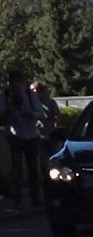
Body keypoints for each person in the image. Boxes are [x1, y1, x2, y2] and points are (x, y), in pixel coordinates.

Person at [0, 69, 47, 207]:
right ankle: (17, 198)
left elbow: (40, 113)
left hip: (31, 135)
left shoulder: (29, 94)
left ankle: (35, 197)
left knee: (32, 168)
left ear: (21, 82)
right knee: (16, 167)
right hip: (15, 135)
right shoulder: (6, 95)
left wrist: (30, 113)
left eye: (17, 82)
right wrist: (8, 105)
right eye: (12, 82)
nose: (15, 85)